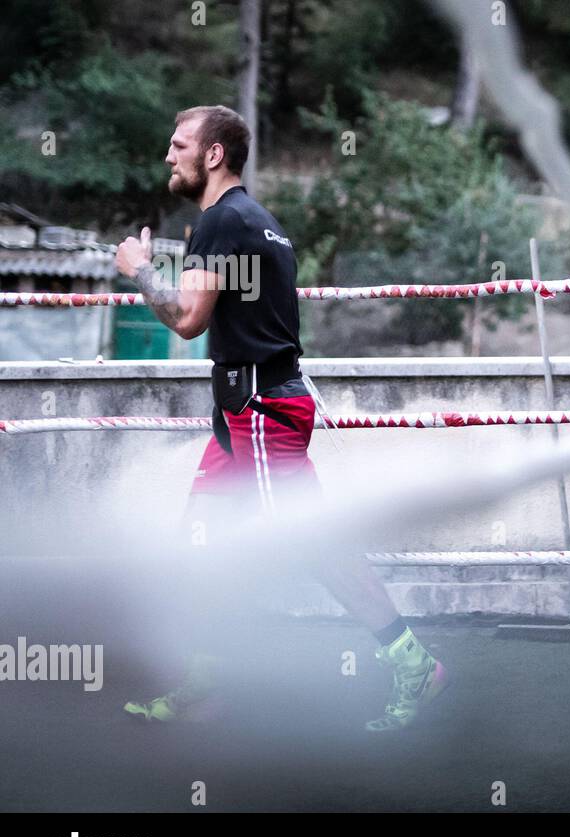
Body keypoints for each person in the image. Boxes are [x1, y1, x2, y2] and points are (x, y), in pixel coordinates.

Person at [114, 105, 447, 731]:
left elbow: (188, 318)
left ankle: (414, 662)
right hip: (245, 411)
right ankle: (207, 683)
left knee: (310, 542)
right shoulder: (256, 222)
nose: (168, 156)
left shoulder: (221, 222)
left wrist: (139, 271)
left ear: (213, 155)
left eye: (178, 144)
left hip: (263, 411)